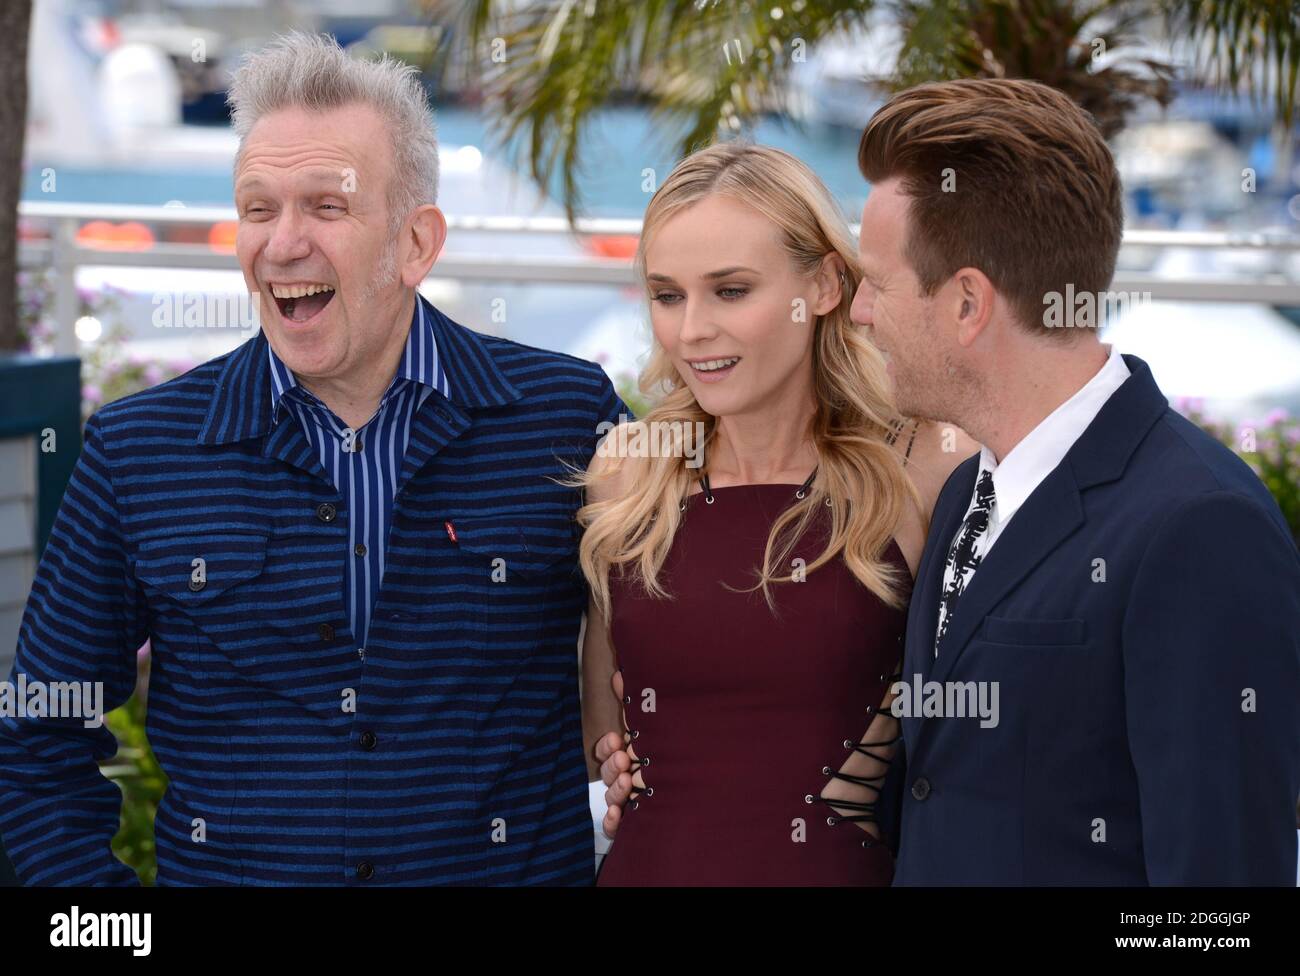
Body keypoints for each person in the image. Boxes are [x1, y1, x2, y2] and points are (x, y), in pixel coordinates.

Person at [601, 79, 1300, 885]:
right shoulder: (971, 491)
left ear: (967, 302)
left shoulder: (1198, 525)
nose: (857, 312)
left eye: (878, 283)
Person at [0, 32, 625, 886]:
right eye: (258, 209)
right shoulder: (138, 449)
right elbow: (38, 737)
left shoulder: (567, 418)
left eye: (326, 207)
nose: (282, 243)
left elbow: (699, 654)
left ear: (416, 243)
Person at [577, 143, 976, 885]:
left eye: (730, 291)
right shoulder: (628, 469)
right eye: (668, 295)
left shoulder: (928, 464)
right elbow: (603, 728)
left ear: (824, 283)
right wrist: (615, 762)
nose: (691, 330)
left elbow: (986, 733)